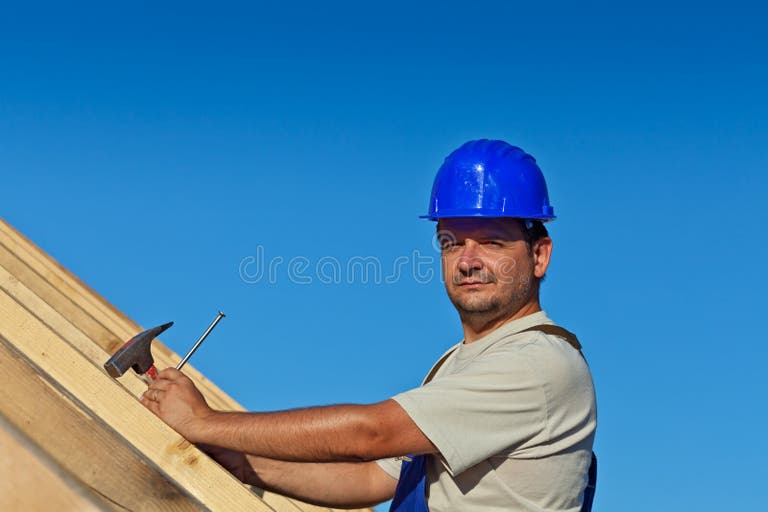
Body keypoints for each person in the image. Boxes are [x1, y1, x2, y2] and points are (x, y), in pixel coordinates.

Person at [141, 139, 597, 511]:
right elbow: (371, 478)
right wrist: (242, 462)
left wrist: (204, 422)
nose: (468, 261)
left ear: (539, 255)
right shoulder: (460, 364)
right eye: (451, 243)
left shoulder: (537, 365)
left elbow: (368, 434)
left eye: (492, 241)